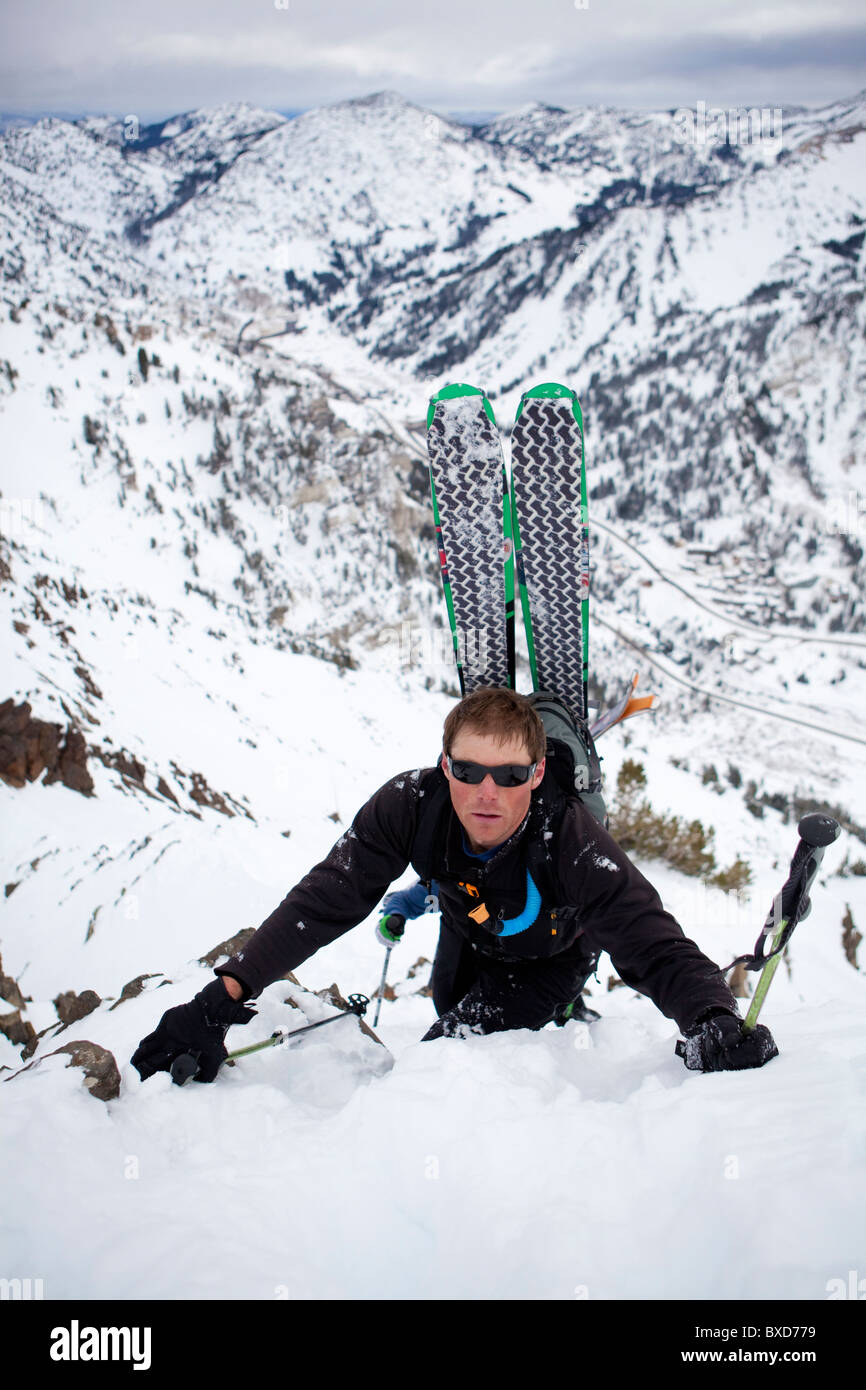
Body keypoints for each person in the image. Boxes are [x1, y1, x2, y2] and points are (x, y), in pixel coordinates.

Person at [132, 687, 777, 1082]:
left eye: (510, 774)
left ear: (538, 772)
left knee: (447, 1056)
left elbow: (646, 936)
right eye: (469, 771)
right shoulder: (411, 805)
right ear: (445, 768)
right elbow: (329, 895)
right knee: (448, 1002)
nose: (487, 792)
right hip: (466, 933)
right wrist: (223, 998)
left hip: (553, 958)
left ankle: (560, 1014)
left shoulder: (568, 836)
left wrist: (711, 1015)